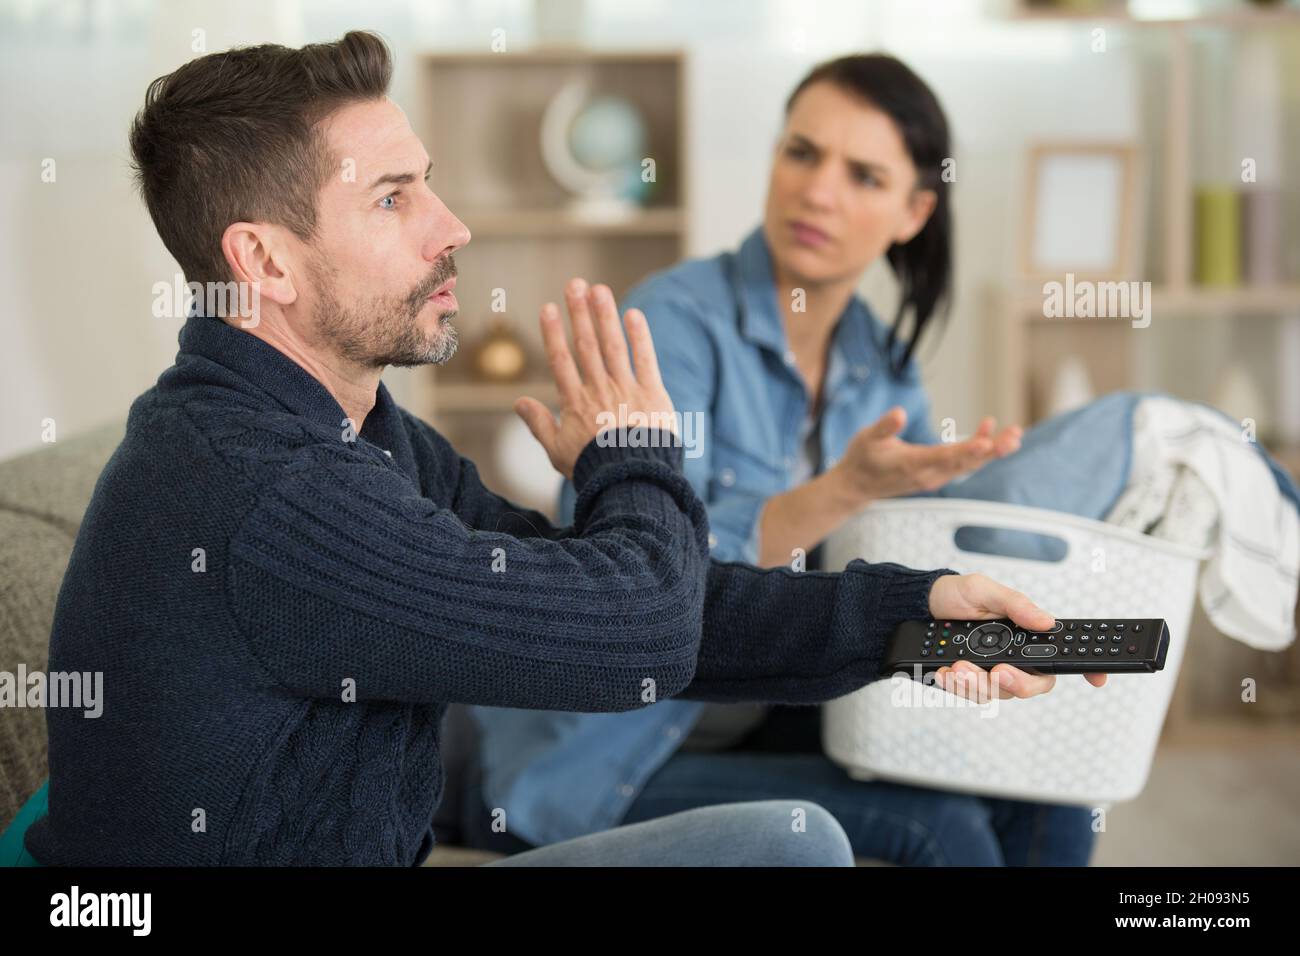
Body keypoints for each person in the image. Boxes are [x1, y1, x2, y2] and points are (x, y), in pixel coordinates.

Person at [16, 33, 1089, 868]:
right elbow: (641, 630)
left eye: (425, 181)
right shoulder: (270, 490)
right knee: (796, 843)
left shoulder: (369, 436)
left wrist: (916, 613)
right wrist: (631, 451)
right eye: (393, 199)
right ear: (265, 263)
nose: (452, 226)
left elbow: (660, 604)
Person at [467, 54, 1104, 867]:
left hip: (790, 710)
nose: (819, 191)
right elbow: (633, 583)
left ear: (913, 211)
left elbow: (895, 571)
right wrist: (843, 492)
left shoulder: (882, 367)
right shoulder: (672, 325)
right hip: (617, 753)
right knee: (940, 828)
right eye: (802, 153)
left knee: (1051, 804)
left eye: (864, 176)